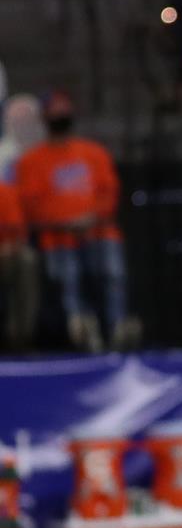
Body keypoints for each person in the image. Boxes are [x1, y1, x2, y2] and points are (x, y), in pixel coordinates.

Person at [13, 97, 129, 352]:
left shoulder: (93, 153)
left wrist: (91, 218)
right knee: (67, 280)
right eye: (55, 113)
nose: (59, 117)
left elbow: (109, 193)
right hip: (56, 237)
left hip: (98, 230)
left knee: (111, 274)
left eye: (63, 112)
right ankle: (83, 332)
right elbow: (30, 205)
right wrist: (63, 222)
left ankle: (117, 329)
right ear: (45, 120)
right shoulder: (32, 161)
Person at [0, 176, 36, 351]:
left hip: (4, 258)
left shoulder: (4, 191)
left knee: (26, 260)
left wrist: (9, 247)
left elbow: (17, 233)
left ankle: (19, 338)